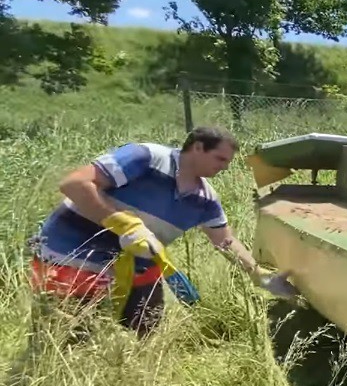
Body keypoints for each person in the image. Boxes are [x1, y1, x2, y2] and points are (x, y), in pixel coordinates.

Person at [26, 125, 297, 339]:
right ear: (198, 147)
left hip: (140, 267)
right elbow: (74, 183)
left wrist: (259, 276)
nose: (225, 167)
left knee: (147, 332)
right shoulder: (146, 157)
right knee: (67, 337)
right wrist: (123, 224)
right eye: (220, 158)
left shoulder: (205, 198)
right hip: (71, 256)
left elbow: (224, 240)